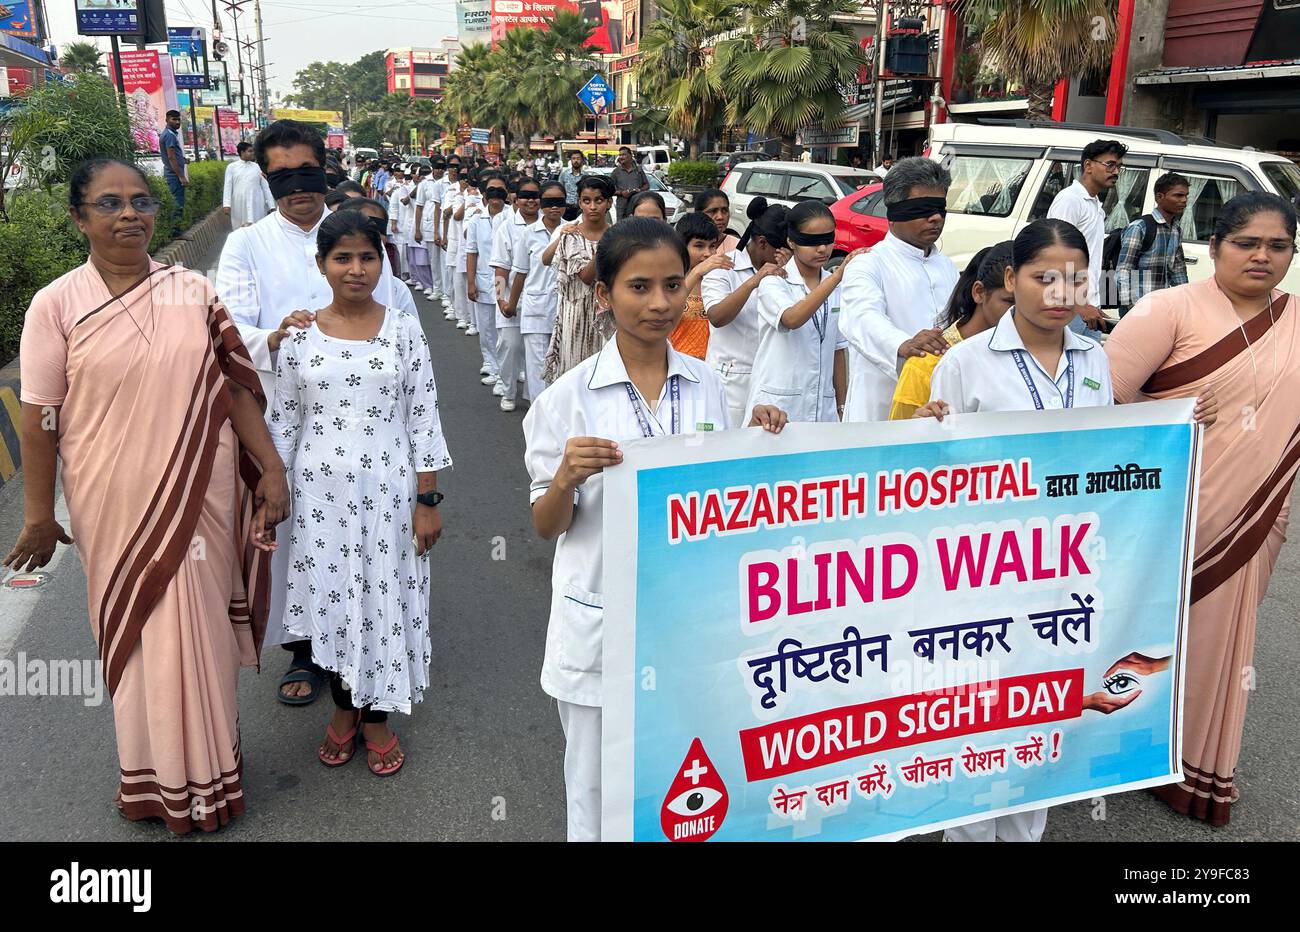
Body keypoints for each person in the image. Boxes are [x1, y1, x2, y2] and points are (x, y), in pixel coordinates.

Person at [6, 157, 288, 833]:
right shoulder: (56, 304)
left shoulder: (193, 292)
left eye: (140, 201)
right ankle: (155, 777)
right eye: (109, 203)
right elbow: (39, 419)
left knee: (200, 628)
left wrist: (270, 468)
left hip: (202, 490)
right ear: (79, 218)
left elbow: (236, 390)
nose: (129, 213)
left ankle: (212, 768)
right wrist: (40, 515)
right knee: (137, 632)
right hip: (112, 499)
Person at [523, 217, 789, 840]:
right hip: (602, 621)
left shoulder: (705, 386)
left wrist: (762, 432)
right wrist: (565, 477)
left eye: (673, 285)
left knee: (682, 779)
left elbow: (720, 500)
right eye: (639, 287)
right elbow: (544, 525)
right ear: (603, 295)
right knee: (594, 786)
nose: (660, 303)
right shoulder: (567, 400)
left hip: (685, 623)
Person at [915, 220, 1114, 843]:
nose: (1060, 292)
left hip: (1064, 575)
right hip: (982, 579)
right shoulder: (967, 363)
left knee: (1040, 724)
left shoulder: (1093, 358)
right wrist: (924, 432)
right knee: (979, 724)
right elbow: (928, 475)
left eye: (1075, 278)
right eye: (1043, 277)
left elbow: (1107, 456)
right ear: (1009, 279)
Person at [1105, 192, 1296, 827]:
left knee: (1220, 644)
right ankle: (1128, 749)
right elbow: (1096, 408)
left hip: (1259, 513)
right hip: (1167, 512)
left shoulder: (1296, 320)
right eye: (1247, 243)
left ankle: (1192, 762)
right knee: (1148, 633)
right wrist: (1171, 415)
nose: (1263, 257)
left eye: (1278, 246)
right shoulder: (1171, 309)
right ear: (1214, 247)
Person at [216, 120, 410, 704]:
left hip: (367, 421)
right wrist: (274, 337)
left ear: (325, 167)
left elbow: (395, 316)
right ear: (266, 178)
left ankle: (369, 643)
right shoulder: (246, 244)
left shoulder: (353, 237)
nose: (298, 187)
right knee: (294, 534)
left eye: (307, 172)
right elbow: (227, 328)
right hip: (283, 416)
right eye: (282, 177)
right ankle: (305, 651)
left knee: (363, 533)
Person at [269, 209, 451, 776]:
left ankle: (376, 720)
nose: (356, 269)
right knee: (336, 601)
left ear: (382, 261)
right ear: (321, 264)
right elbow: (285, 420)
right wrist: (270, 493)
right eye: (342, 258)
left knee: (383, 601)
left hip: (392, 495)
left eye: (367, 257)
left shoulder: (402, 329)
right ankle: (344, 711)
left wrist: (427, 499)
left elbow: (423, 415)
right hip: (320, 499)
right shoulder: (299, 335)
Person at [839, 156, 960, 422]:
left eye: (940, 207)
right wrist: (902, 344)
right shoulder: (869, 264)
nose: (936, 217)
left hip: (938, 404)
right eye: (924, 208)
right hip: (880, 404)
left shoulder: (948, 267)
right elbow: (861, 317)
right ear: (894, 210)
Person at [749, 201, 866, 422]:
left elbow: (838, 351)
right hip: (777, 406)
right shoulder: (774, 282)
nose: (822, 249)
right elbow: (792, 318)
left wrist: (842, 407)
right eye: (811, 242)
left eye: (828, 240)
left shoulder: (836, 287)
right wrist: (837, 276)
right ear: (791, 241)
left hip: (824, 408)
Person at [888, 242, 1014, 420]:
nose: (1021, 313)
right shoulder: (927, 363)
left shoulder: (1041, 353)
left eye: (1030, 303)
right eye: (1010, 302)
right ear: (979, 292)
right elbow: (901, 441)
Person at [700, 197, 792, 428]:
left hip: (773, 378)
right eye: (781, 251)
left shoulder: (786, 271)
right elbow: (717, 316)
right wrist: (754, 281)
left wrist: (791, 272)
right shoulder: (723, 266)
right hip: (731, 378)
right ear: (762, 243)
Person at [1046, 138, 1126, 333]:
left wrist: (1093, 304)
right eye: (1110, 165)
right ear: (1088, 165)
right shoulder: (1070, 200)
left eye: (1119, 167)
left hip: (1087, 308)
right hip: (1068, 307)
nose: (1116, 172)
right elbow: (1053, 255)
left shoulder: (1094, 204)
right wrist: (1079, 305)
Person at [541, 174, 614, 382]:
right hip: (575, 316)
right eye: (586, 200)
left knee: (604, 376)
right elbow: (585, 277)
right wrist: (605, 245)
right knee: (574, 376)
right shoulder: (571, 235)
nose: (592, 206)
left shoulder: (617, 235)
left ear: (608, 203)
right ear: (579, 202)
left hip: (607, 315)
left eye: (598, 200)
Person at [507, 181, 567, 403]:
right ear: (542, 203)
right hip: (536, 308)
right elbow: (520, 272)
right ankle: (538, 418)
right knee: (537, 370)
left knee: (562, 366)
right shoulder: (529, 233)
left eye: (559, 202)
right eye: (549, 202)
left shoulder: (573, 229)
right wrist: (511, 304)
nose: (554, 207)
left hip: (565, 308)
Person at [492, 178, 541, 412]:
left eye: (535, 195)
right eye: (525, 196)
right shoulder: (506, 227)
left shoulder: (553, 226)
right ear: (516, 198)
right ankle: (509, 391)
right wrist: (502, 299)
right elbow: (500, 268)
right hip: (511, 302)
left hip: (540, 303)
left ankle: (534, 397)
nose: (530, 200)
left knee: (537, 355)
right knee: (509, 348)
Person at [1114, 171, 1190, 314]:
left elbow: (1178, 271)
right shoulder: (1140, 227)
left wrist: (1185, 304)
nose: (1184, 200)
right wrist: (1131, 306)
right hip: (1138, 306)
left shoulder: (1176, 229)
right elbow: (1123, 271)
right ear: (1159, 197)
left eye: (1186, 195)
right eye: (1178, 195)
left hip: (1161, 307)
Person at [467, 176, 508, 387]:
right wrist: (471, 282)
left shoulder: (512, 217)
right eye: (491, 193)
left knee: (506, 328)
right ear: (485, 196)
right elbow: (472, 252)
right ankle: (491, 364)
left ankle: (509, 367)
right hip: (483, 279)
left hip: (505, 283)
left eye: (500, 192)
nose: (496, 198)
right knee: (487, 327)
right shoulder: (476, 220)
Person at [671, 212, 727, 359]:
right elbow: (668, 310)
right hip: (677, 365)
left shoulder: (721, 280)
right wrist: (696, 272)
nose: (708, 253)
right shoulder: (669, 280)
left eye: (712, 246)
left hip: (712, 369)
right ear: (681, 247)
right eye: (699, 246)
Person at [413, 160, 448, 301]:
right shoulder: (424, 184)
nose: (439, 170)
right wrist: (417, 229)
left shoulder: (449, 184)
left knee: (445, 262)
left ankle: (447, 293)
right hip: (428, 225)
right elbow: (419, 207)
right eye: (437, 167)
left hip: (445, 225)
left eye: (442, 168)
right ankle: (437, 289)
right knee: (434, 261)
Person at [222, 141, 274, 229]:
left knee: (258, 228)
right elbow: (227, 186)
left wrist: (271, 206)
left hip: (257, 203)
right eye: (250, 151)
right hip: (239, 203)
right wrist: (227, 204)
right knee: (239, 229)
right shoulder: (232, 167)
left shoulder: (257, 167)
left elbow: (266, 188)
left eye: (252, 151)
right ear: (242, 152)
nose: (252, 153)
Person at [160, 110, 188, 229]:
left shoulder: (170, 134)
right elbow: (171, 157)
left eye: (178, 119)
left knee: (177, 203)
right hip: (173, 176)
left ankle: (176, 231)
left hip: (173, 174)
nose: (177, 122)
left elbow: (173, 155)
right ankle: (175, 233)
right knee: (177, 204)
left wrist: (183, 159)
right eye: (174, 119)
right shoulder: (169, 135)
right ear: (167, 120)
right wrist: (181, 176)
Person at [694, 188, 739, 253]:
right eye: (713, 211)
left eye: (724, 210)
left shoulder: (738, 246)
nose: (720, 217)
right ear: (698, 214)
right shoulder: (684, 246)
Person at [611, 146, 649, 219]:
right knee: (622, 227)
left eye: (623, 155)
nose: (621, 157)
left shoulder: (639, 170)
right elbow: (609, 189)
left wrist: (640, 190)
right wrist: (622, 193)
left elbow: (647, 185)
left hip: (638, 204)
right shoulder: (616, 172)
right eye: (620, 155)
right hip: (622, 207)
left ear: (630, 156)